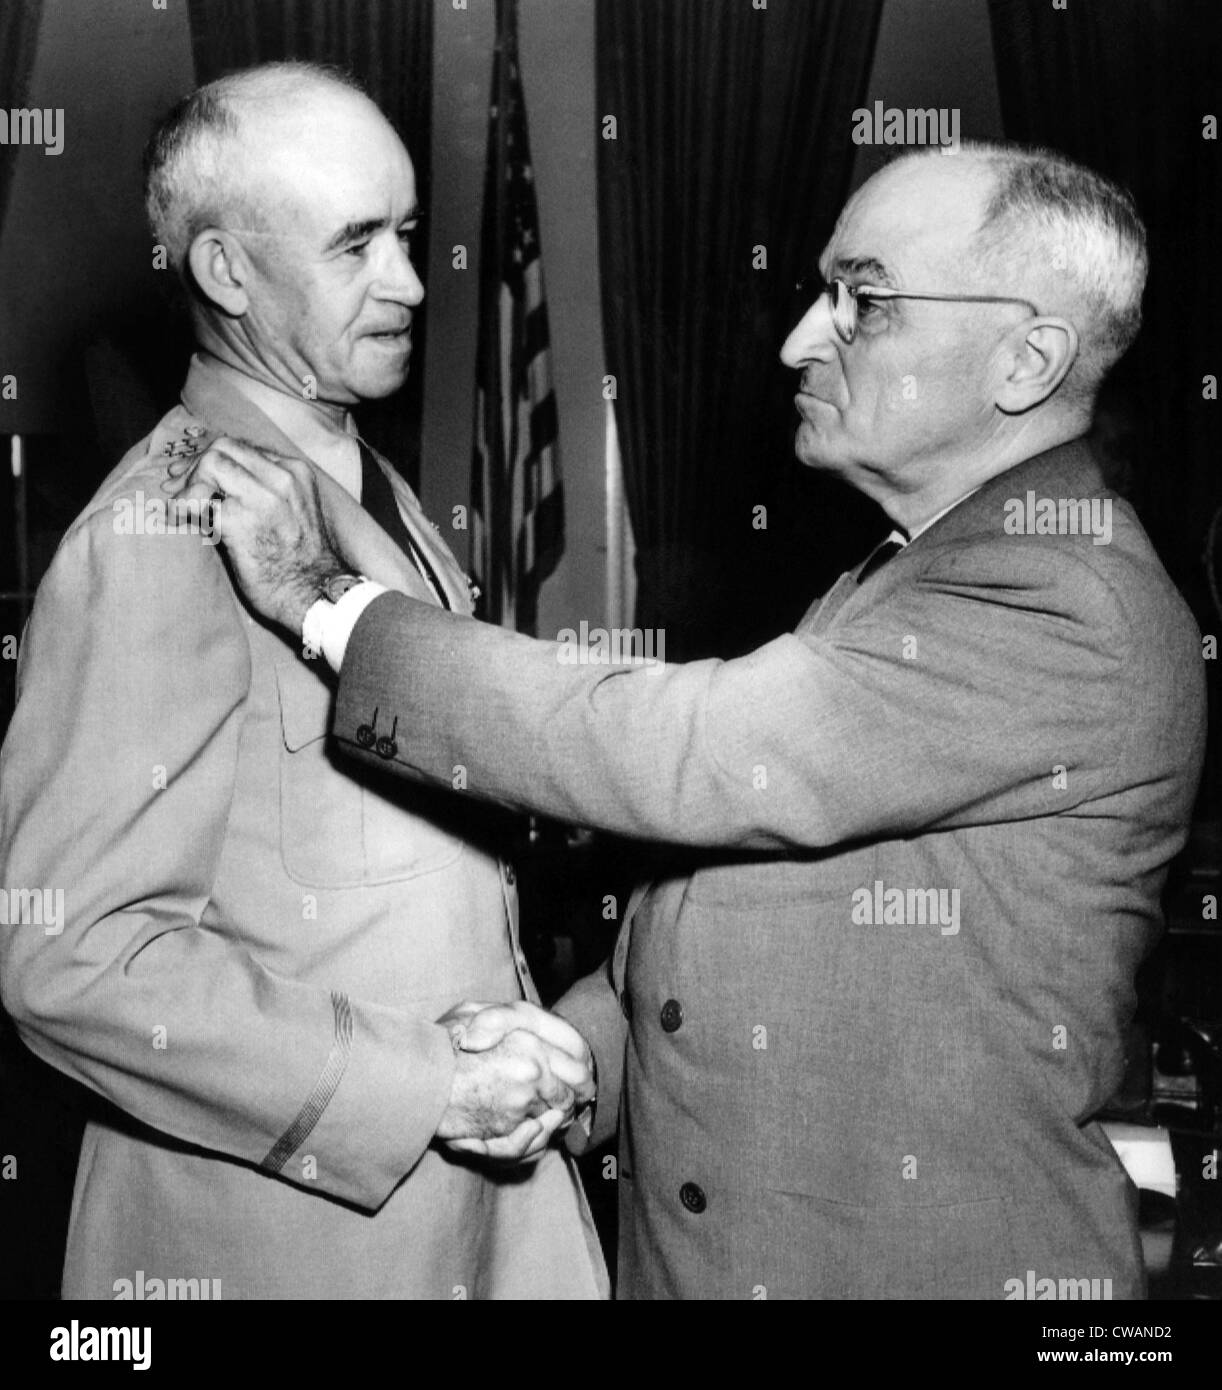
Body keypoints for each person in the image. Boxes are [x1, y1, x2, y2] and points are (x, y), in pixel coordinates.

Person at [167, 143, 1206, 1299]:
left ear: (1028, 359)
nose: (800, 340)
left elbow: (683, 757)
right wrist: (585, 1058)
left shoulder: (1062, 596)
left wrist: (326, 604)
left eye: (862, 301)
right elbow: (746, 896)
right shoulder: (908, 571)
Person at [0, 62, 607, 1300]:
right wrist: (430, 1085)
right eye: (355, 245)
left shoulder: (357, 485)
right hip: (286, 1243)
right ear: (225, 273)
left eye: (407, 235)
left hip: (470, 1224)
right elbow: (70, 957)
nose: (405, 281)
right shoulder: (166, 532)